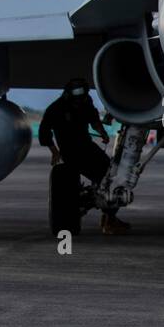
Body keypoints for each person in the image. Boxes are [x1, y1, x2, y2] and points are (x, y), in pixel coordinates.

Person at [38, 78, 130, 235]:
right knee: (107, 178)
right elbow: (44, 132)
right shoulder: (56, 109)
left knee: (110, 177)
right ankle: (108, 219)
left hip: (87, 148)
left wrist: (102, 133)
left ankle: (109, 217)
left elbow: (94, 120)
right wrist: (55, 151)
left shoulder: (85, 103)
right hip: (71, 152)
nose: (80, 100)